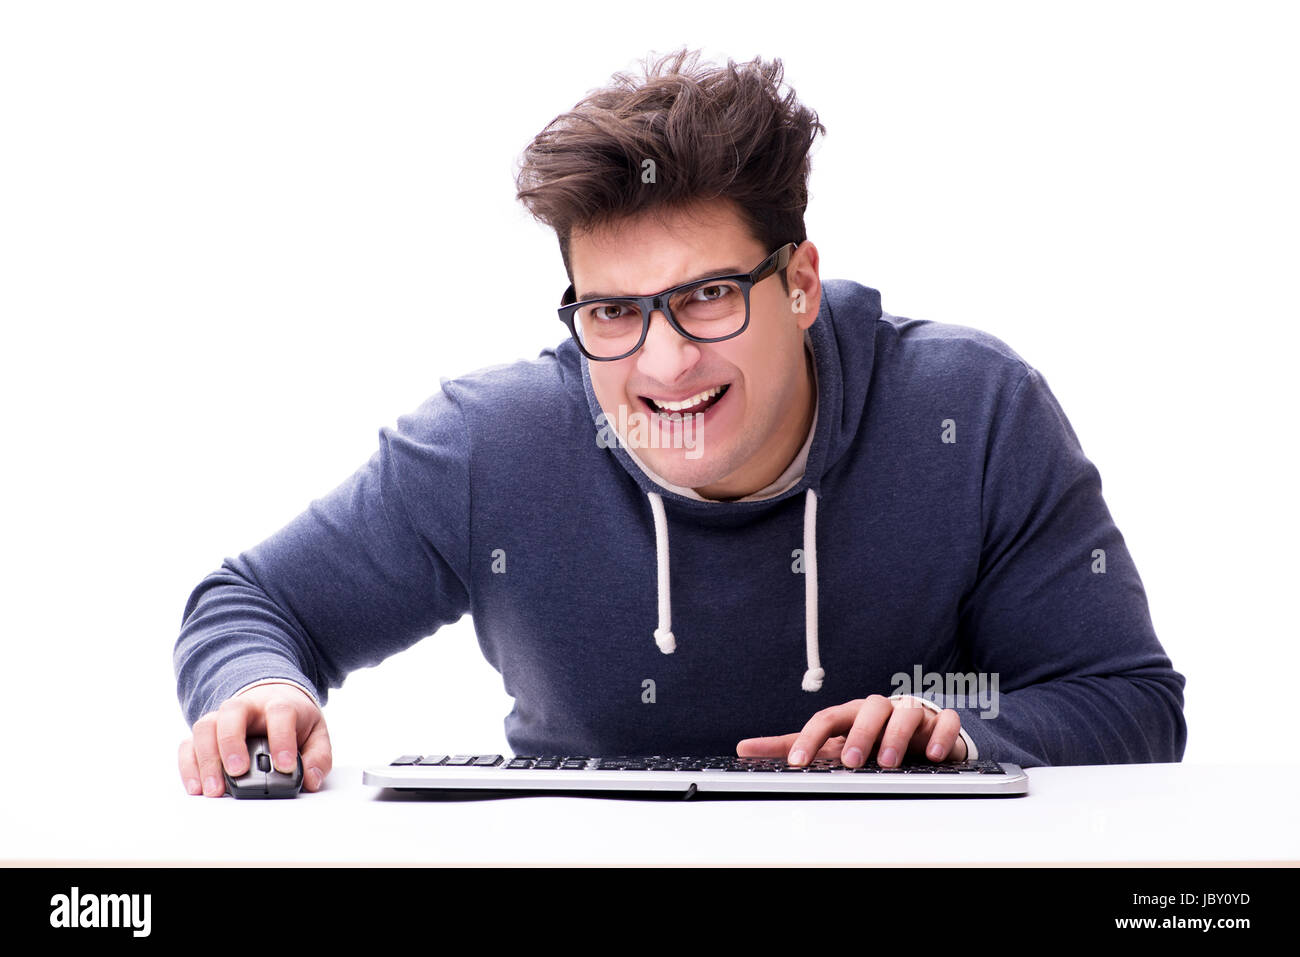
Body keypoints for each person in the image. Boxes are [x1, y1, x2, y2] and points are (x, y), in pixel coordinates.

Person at [175, 49, 1187, 797]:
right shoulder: (495, 443)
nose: (664, 363)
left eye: (707, 295)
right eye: (613, 311)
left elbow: (1129, 701)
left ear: (798, 283)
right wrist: (256, 691)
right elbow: (256, 602)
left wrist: (960, 731)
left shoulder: (971, 413)